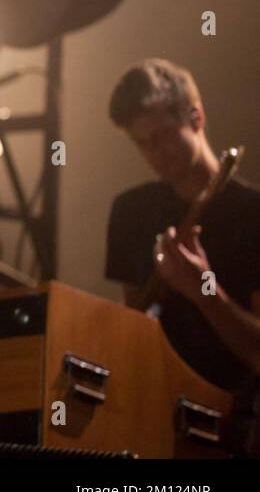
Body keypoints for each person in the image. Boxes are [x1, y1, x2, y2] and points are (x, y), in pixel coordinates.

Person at [105, 58, 260, 393]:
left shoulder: (253, 213)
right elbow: (137, 329)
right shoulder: (130, 213)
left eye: (162, 135)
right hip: (154, 407)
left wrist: (205, 290)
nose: (154, 152)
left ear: (196, 117)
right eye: (142, 143)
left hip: (238, 421)